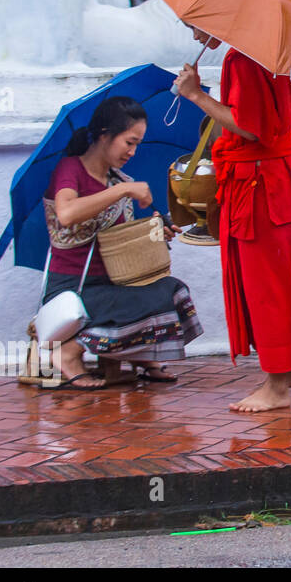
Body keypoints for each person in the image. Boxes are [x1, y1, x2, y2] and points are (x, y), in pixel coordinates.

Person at [175, 29, 291, 412]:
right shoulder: (274, 51)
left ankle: (277, 386)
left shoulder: (242, 58)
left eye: (195, 23)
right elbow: (287, 117)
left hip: (258, 185)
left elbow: (249, 127)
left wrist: (196, 94)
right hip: (276, 176)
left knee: (266, 283)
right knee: (280, 277)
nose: (193, 32)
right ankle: (288, 367)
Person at [40, 96, 202, 390]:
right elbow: (66, 214)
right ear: (105, 134)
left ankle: (142, 356)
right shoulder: (71, 169)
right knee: (146, 303)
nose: (133, 151)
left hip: (112, 285)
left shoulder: (116, 179)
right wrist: (125, 190)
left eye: (137, 143)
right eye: (129, 142)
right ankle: (69, 353)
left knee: (172, 291)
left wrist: (156, 233)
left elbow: (123, 243)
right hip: (74, 288)